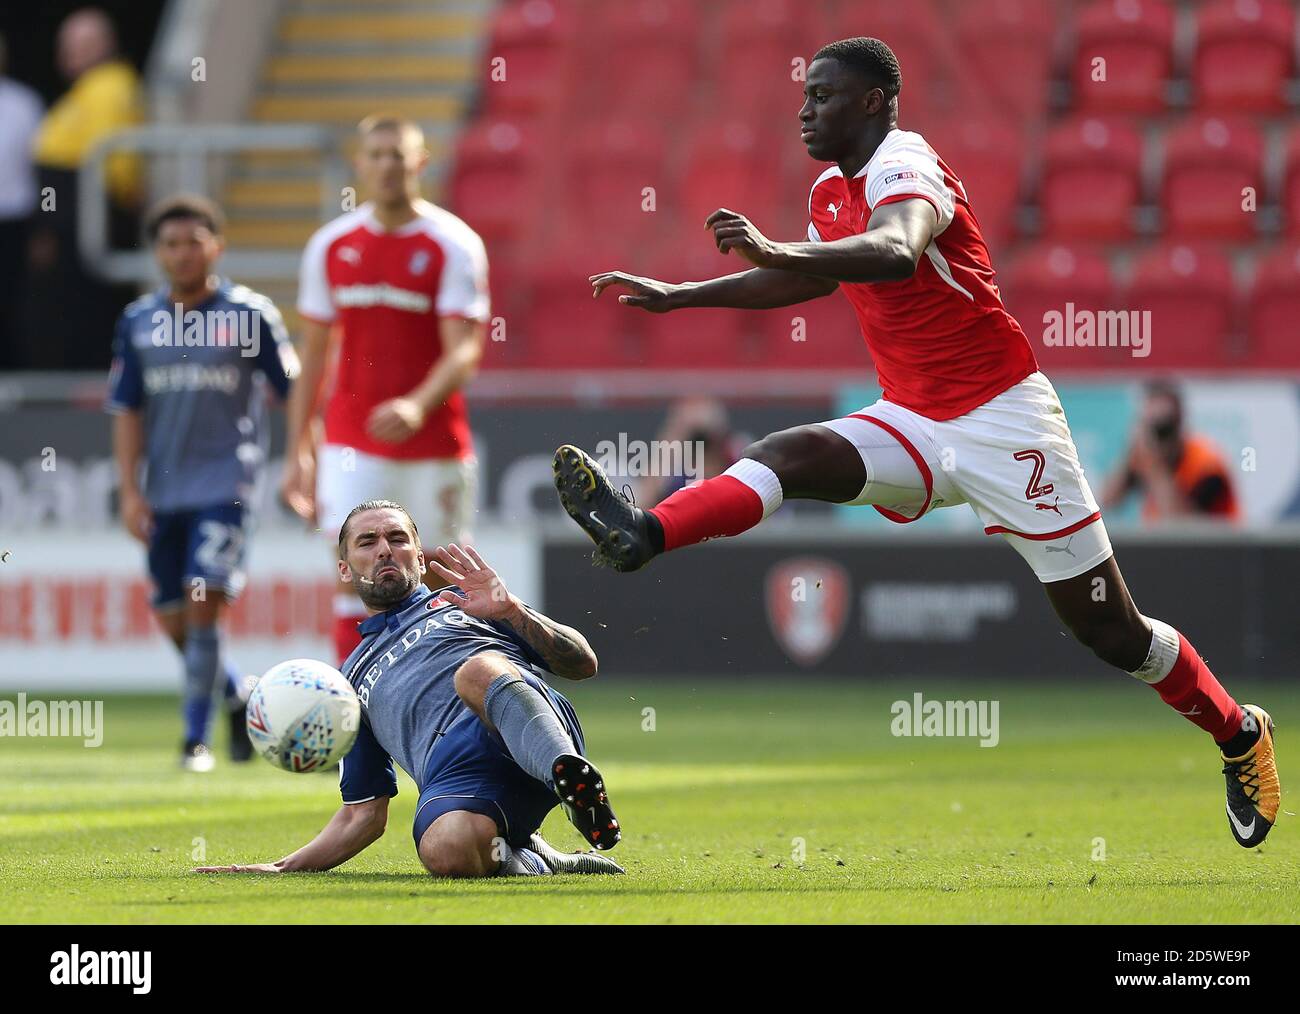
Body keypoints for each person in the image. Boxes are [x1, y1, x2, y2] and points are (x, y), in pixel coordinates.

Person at [553, 37, 1279, 849]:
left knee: (1113, 633)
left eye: (822, 97)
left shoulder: (907, 162)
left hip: (1004, 418)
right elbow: (813, 277)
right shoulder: (833, 187)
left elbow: (895, 253)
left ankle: (1237, 733)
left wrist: (775, 246)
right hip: (914, 417)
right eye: (803, 97)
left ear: (873, 102)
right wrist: (683, 294)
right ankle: (643, 534)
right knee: (789, 454)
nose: (804, 111)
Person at [195, 500, 623, 878]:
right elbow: (363, 814)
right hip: (456, 778)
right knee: (446, 850)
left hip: (526, 727)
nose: (384, 548)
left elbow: (582, 663)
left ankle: (571, 783)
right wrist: (281, 866)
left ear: (419, 559)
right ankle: (535, 859)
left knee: (475, 671)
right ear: (344, 569)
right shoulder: (346, 682)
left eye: (397, 538)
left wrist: (510, 609)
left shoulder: (466, 600)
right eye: (367, 542)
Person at [284, 115, 489, 668]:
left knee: (446, 583)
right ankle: (354, 716)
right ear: (360, 164)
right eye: (376, 155)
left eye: (399, 155)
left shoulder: (453, 244)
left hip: (436, 445)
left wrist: (416, 403)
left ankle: (439, 715)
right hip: (351, 444)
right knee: (354, 576)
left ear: (421, 162)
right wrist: (298, 449)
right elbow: (315, 356)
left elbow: (466, 350)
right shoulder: (331, 245)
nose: (387, 166)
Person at [106, 195, 298, 771]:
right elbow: (126, 409)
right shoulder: (139, 321)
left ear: (217, 245)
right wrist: (130, 489)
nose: (182, 253)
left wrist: (302, 460)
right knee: (172, 616)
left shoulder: (249, 314)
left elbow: (293, 390)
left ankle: (196, 740)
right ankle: (236, 695)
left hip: (227, 484)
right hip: (164, 492)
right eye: (171, 243)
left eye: (194, 241)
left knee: (203, 604)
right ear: (157, 252)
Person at [28, 7, 143, 369]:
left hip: (85, 218)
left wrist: (61, 223)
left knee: (81, 309)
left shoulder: (109, 87)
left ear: (106, 44)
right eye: (66, 46)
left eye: (81, 45)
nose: (69, 54)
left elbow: (116, 165)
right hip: (70, 213)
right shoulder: (89, 89)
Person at [1102, 380, 1239, 522]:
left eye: (1166, 427)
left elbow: (1182, 525)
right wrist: (1132, 449)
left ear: (1180, 422)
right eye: (1153, 426)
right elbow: (1109, 501)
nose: (1161, 435)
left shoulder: (1206, 464)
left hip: (1217, 543)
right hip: (1162, 542)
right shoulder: (1145, 457)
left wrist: (1154, 465)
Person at [0, 32, 42, 369]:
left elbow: (42, 171)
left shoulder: (24, 102)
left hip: (14, 221)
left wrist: (44, 225)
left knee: (12, 302)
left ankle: (15, 375)